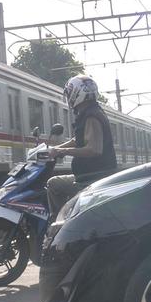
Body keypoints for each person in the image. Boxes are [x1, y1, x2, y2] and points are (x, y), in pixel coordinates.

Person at [47, 75, 117, 218]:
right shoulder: (92, 112)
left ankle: (60, 223)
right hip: (90, 175)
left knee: (53, 184)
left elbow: (94, 149)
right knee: (56, 182)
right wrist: (56, 149)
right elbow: (78, 139)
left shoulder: (91, 116)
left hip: (90, 178)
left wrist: (63, 151)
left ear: (76, 94)